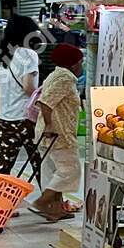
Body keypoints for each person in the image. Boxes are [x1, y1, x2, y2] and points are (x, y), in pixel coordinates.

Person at [28, 43, 83, 221]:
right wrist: (50, 126)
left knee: (51, 171)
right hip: (58, 133)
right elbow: (46, 103)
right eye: (80, 62)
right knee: (70, 170)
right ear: (73, 63)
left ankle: (55, 209)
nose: (81, 66)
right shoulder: (65, 78)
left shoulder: (55, 75)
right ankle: (43, 202)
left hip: (49, 132)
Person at [0, 14, 42, 176]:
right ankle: (48, 194)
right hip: (25, 119)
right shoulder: (28, 54)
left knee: (2, 166)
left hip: (4, 119)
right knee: (40, 163)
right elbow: (28, 87)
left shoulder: (3, 56)